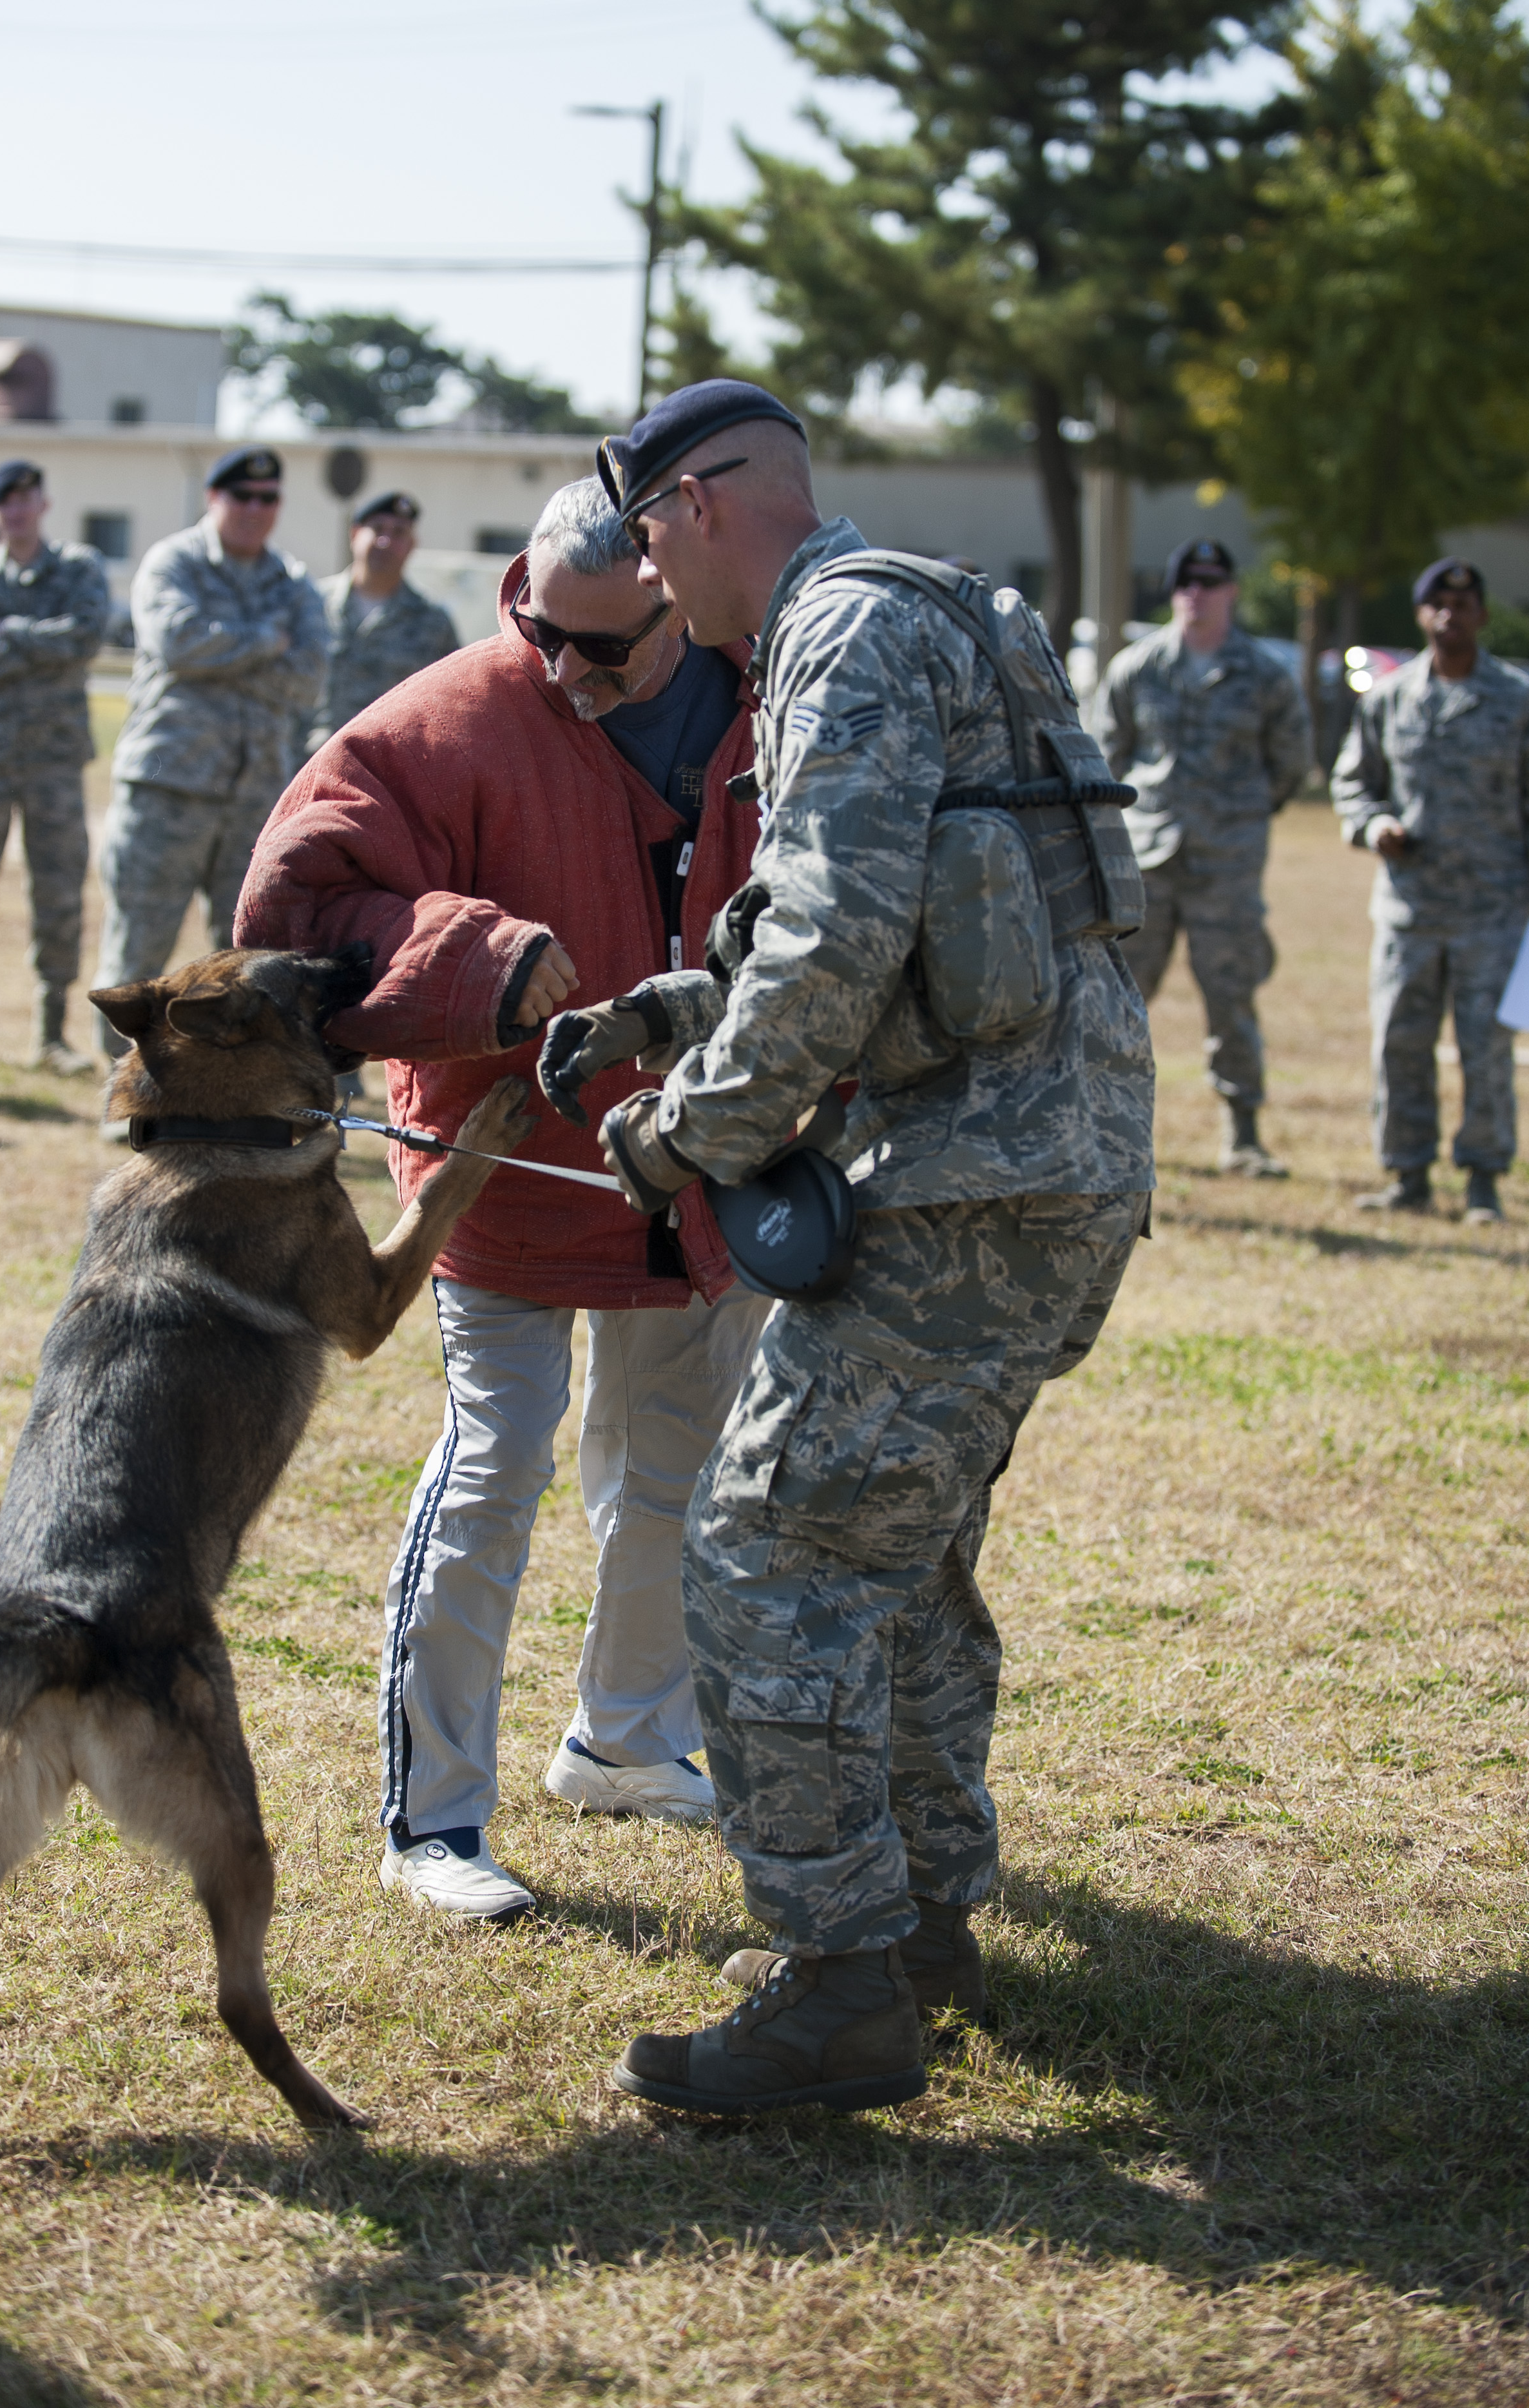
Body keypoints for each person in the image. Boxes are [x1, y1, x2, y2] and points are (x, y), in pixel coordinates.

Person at [571, 378, 1153, 2118]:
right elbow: (891, 914)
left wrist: (687, 1136)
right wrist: (659, 1018)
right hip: (1051, 1164)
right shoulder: (934, 603)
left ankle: (839, 1987)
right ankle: (916, 1929)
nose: (660, 594)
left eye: (653, 547)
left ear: (695, 508)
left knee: (767, 1555)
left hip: (972, 1185)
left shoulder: (838, 636)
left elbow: (836, 940)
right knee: (895, 1555)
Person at [235, 477, 769, 1922]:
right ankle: (434, 1821)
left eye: (608, 647)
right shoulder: (445, 718)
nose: (567, 672)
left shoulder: (775, 690)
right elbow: (292, 910)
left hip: (698, 1164)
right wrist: (466, 952)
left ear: (680, 590)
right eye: (546, 635)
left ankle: (627, 1736)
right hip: (503, 1165)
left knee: (674, 1468)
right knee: (493, 1464)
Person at [91, 447, 329, 1074]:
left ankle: (234, 1089)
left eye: (267, 498)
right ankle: (124, 1087)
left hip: (256, 796)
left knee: (249, 957)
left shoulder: (294, 582)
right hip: (168, 788)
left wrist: (222, 652)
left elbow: (306, 678)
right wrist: (264, 643)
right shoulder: (174, 563)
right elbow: (177, 643)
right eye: (241, 496)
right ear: (212, 497)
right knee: (140, 945)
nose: (255, 509)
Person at [1091, 538, 1311, 1174]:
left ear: (1231, 590)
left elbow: (1290, 762)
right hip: (1149, 859)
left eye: (1210, 581)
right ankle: (1104, 1124)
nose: (1196, 592)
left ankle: (1241, 1133)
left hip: (1226, 863)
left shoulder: (1264, 674)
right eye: (1185, 581)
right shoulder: (1138, 667)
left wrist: (1238, 816)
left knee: (1230, 994)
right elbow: (1106, 757)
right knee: (1119, 996)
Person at [1333, 558, 1529, 1223]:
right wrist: (1373, 826)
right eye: (1436, 603)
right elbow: (1352, 785)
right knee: (1399, 1043)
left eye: (1463, 602)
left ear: (1480, 613)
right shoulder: (1388, 698)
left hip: (1491, 910)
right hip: (1408, 909)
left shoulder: (1516, 699)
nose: (1450, 614)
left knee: (1483, 1048)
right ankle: (1407, 1174)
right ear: (1421, 615)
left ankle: (1482, 1180)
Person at [0, 460, 109, 1071]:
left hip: (54, 761)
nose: (17, 510)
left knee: (57, 891)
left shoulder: (78, 568)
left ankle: (50, 1036)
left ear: (43, 504)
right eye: (5, 501)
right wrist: (40, 640)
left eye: (27, 498)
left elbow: (85, 637)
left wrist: (7, 633)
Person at [310, 490, 459, 752]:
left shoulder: (433, 622)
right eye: (377, 528)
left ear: (412, 545)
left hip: (388, 772)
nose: (386, 540)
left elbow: (450, 704)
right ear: (355, 535)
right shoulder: (312, 604)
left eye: (399, 532)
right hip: (310, 764)